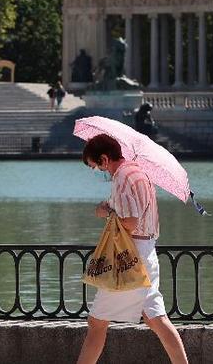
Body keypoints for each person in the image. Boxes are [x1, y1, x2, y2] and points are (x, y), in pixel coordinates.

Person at [78, 135, 188, 364]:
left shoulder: (122, 177)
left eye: (96, 166)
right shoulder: (138, 172)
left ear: (105, 158)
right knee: (156, 318)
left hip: (128, 256)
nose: (99, 171)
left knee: (97, 323)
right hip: (145, 251)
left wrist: (106, 212)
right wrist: (109, 206)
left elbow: (129, 221)